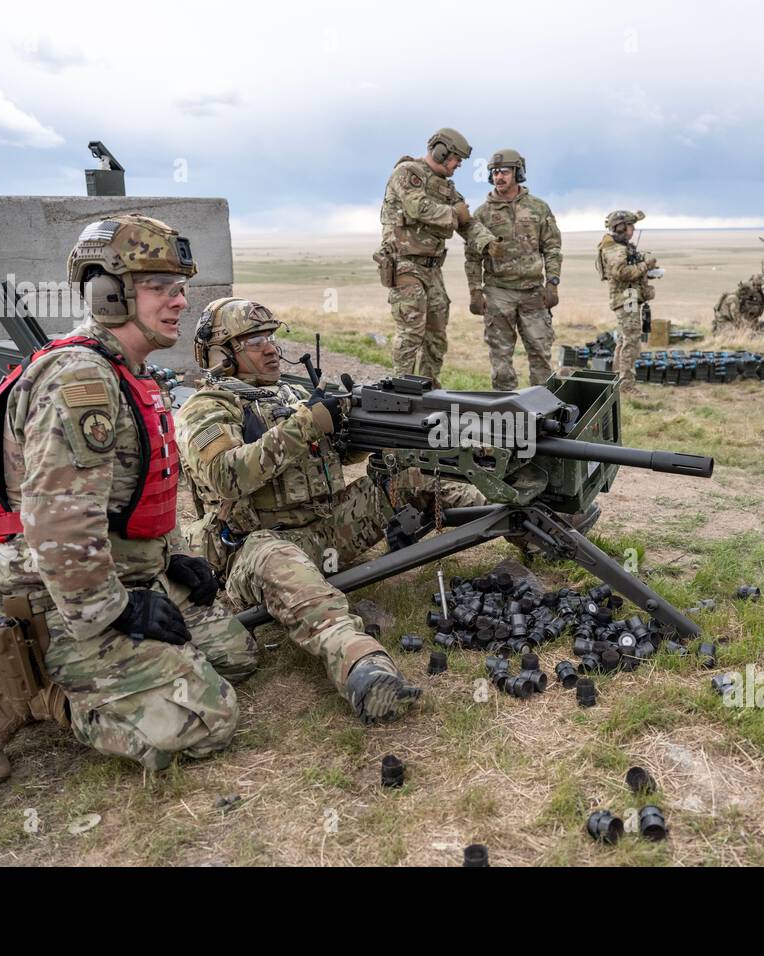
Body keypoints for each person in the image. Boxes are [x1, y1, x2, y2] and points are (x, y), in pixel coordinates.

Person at [0, 215, 257, 785]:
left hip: (128, 570)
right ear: (108, 292)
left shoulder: (127, 370)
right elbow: (58, 525)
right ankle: (35, 687)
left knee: (238, 655)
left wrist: (171, 559)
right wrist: (115, 610)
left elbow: (133, 491)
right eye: (160, 287)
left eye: (181, 287)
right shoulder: (80, 382)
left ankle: (98, 664)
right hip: (60, 593)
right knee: (208, 717)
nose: (180, 301)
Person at [174, 298, 485, 721]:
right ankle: (365, 670)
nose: (269, 348)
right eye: (253, 341)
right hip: (257, 545)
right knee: (287, 568)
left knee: (413, 473)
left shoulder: (291, 391)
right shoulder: (207, 407)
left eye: (270, 337)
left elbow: (337, 457)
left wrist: (357, 429)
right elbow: (227, 475)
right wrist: (306, 424)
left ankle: (518, 518)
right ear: (220, 354)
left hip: (325, 529)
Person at [376, 128, 500, 388]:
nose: (457, 166)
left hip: (432, 270)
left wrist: (486, 241)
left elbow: (467, 222)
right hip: (405, 264)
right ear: (440, 151)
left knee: (436, 336)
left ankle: (427, 386)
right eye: (456, 159)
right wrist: (455, 213)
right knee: (411, 332)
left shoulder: (446, 187)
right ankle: (399, 389)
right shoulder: (408, 173)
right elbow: (417, 207)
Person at [464, 148, 563, 390]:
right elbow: (472, 257)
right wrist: (476, 292)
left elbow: (552, 247)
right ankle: (506, 411)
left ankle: (543, 410)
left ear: (517, 173)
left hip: (532, 292)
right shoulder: (482, 213)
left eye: (505, 172)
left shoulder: (538, 208)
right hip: (498, 293)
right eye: (495, 172)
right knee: (501, 360)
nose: (499, 177)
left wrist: (552, 282)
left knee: (540, 354)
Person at [595, 210, 657, 391]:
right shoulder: (615, 248)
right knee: (631, 342)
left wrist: (646, 272)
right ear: (620, 227)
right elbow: (621, 272)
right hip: (626, 299)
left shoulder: (619, 246)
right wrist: (645, 265)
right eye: (630, 226)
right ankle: (626, 385)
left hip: (628, 298)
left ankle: (618, 381)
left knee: (624, 341)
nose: (633, 229)